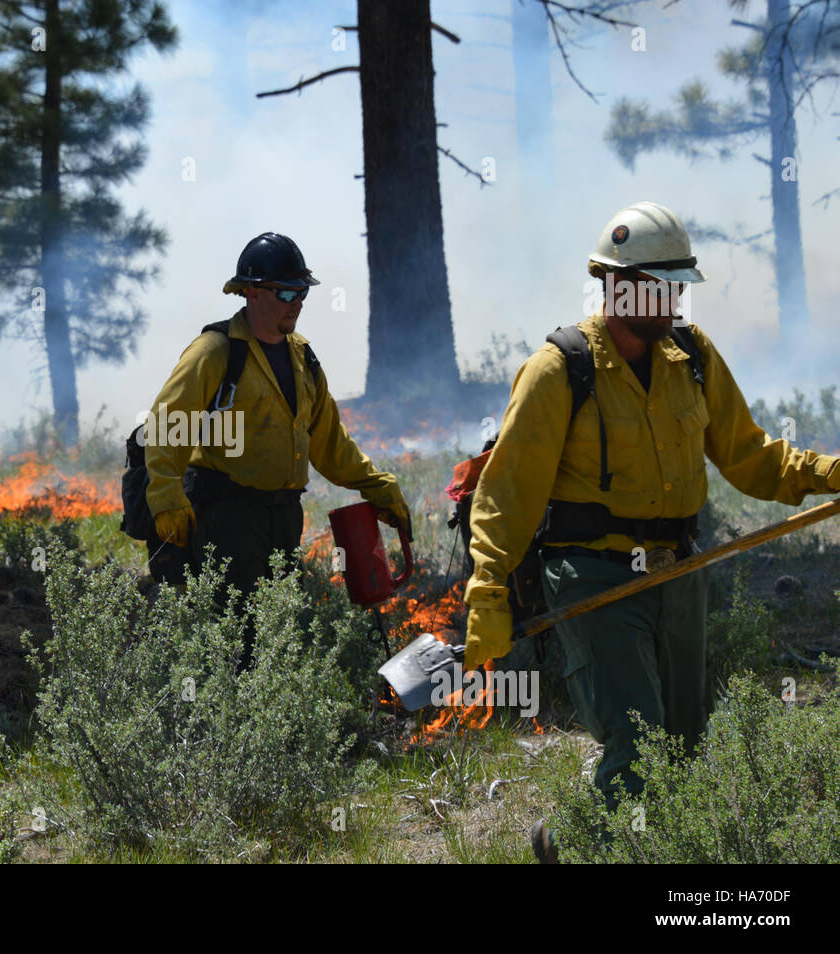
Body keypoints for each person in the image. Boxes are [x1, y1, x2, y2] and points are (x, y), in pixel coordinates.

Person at [462, 201, 840, 862]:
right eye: (659, 285)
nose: (672, 300)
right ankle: (572, 846)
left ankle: (625, 850)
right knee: (638, 744)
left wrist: (830, 473)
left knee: (682, 752)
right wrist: (487, 595)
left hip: (679, 574)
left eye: (676, 285)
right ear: (616, 284)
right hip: (595, 577)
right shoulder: (559, 371)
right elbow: (506, 496)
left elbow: (751, 458)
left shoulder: (691, 357)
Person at [143, 232, 412, 645]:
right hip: (227, 518)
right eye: (286, 292)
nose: (298, 302)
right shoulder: (215, 351)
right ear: (251, 293)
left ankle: (272, 708)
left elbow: (329, 442)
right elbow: (166, 425)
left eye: (302, 292)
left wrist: (375, 485)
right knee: (237, 638)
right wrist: (165, 497)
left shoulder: (302, 356)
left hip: (284, 518)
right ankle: (231, 709)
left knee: (279, 635)